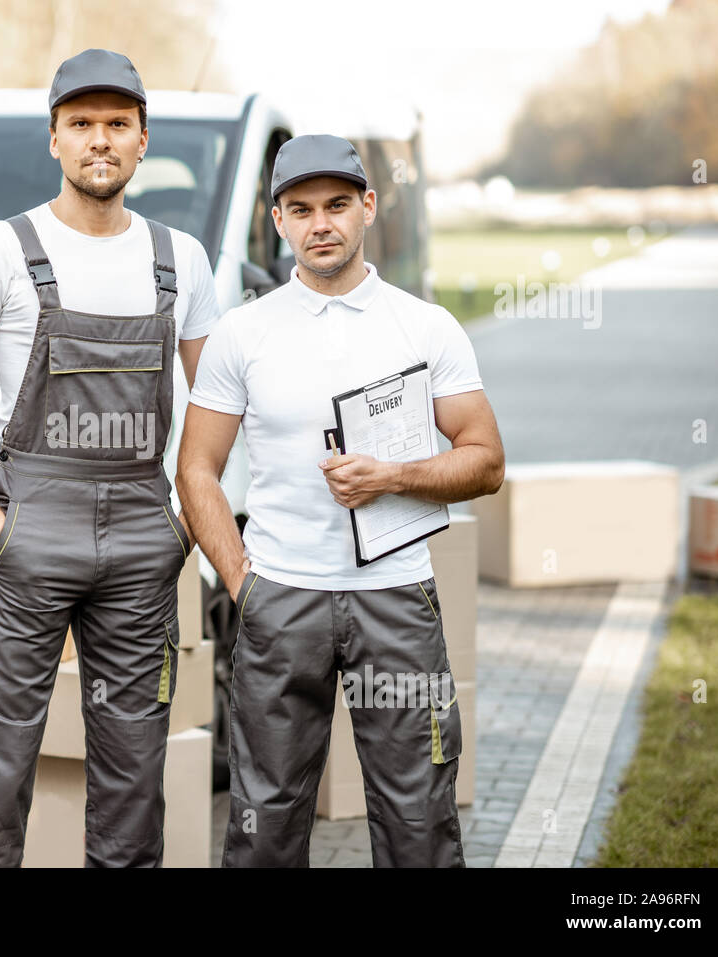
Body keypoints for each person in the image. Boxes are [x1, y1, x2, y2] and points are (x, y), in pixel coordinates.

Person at [0, 48, 222, 867]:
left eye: (118, 124)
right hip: (26, 540)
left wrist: (186, 522)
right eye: (81, 123)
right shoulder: (0, 252)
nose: (100, 140)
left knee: (132, 785)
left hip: (140, 546)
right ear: (53, 138)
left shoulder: (180, 260)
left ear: (144, 139)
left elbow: (221, 406)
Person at [176, 133, 505, 867]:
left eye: (335, 205)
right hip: (282, 598)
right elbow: (196, 467)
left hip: (396, 597)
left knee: (419, 820)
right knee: (265, 820)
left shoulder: (424, 326)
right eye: (300, 209)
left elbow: (486, 461)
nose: (320, 223)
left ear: (368, 207)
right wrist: (244, 583)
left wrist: (392, 477)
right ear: (278, 221)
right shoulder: (244, 332)